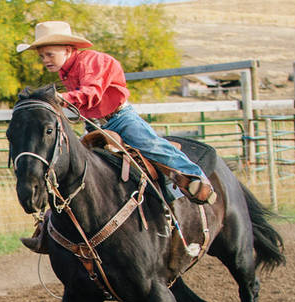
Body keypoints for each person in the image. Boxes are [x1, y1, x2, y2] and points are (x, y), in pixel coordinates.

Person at [17, 21, 216, 206]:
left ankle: (196, 179)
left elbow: (92, 93)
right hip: (96, 125)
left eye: (50, 54)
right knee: (75, 161)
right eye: (42, 56)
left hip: (120, 119)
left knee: (150, 145)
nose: (45, 60)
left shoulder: (92, 61)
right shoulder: (66, 71)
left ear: (68, 50)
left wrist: (64, 98)